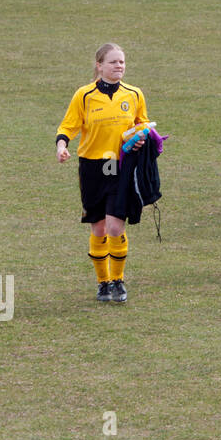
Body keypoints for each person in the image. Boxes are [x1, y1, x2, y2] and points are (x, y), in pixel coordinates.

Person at [57, 43, 151, 303]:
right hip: (92, 168)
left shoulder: (134, 94)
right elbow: (69, 125)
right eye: (113, 62)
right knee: (98, 228)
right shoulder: (84, 95)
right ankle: (102, 283)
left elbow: (142, 123)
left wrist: (142, 136)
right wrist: (62, 145)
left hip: (120, 167)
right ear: (99, 65)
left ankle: (118, 281)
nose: (119, 66)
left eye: (122, 62)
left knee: (115, 225)